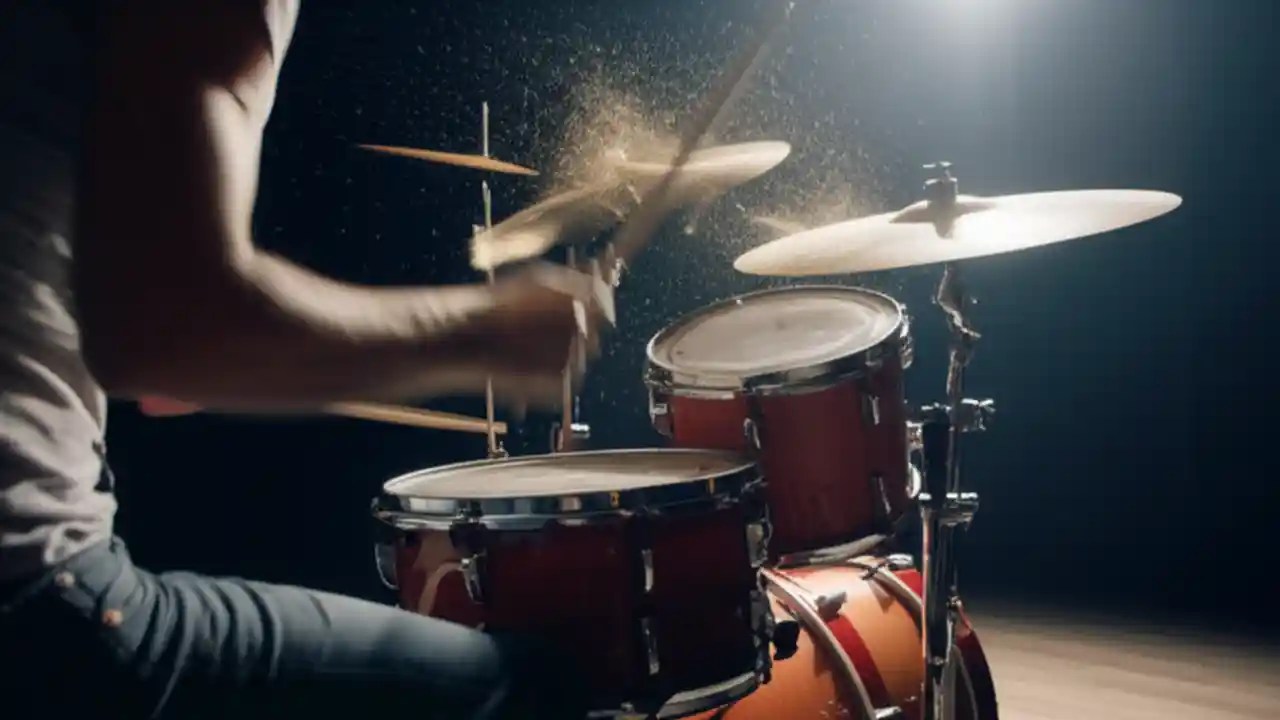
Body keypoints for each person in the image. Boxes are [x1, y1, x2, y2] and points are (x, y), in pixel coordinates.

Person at [0, 1, 606, 718]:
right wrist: (487, 334)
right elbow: (169, 338)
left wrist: (217, 349)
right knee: (538, 695)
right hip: (32, 614)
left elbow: (160, 344)